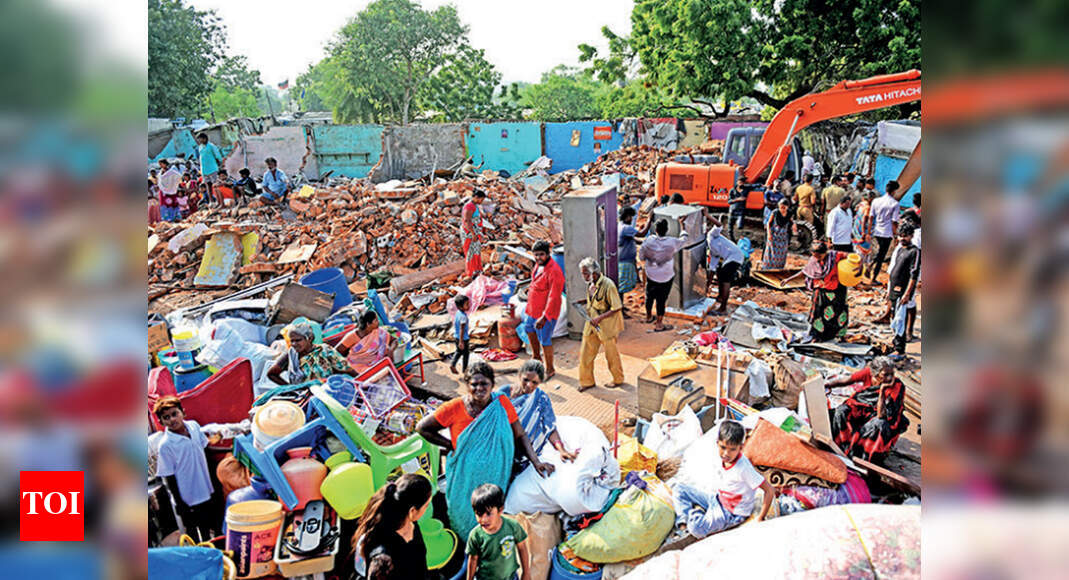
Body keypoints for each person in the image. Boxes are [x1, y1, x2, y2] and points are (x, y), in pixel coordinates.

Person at [416, 363, 553, 539]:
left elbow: (520, 435)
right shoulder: (454, 407)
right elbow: (423, 428)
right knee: (463, 513)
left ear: (492, 384)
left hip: (496, 475)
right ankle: (467, 545)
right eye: (474, 384)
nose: (479, 388)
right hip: (464, 477)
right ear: (467, 385)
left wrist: (536, 462)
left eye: (484, 384)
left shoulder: (501, 403)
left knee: (490, 513)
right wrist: (451, 445)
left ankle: (485, 544)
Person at [672, 421, 774, 539]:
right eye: (723, 447)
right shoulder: (721, 458)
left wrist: (761, 518)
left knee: (697, 529)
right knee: (679, 489)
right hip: (717, 499)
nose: (726, 453)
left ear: (740, 448)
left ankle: (695, 515)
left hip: (730, 513)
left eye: (732, 449)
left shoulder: (743, 468)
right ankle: (684, 523)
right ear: (717, 443)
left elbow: (769, 490)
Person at [153, 396, 219, 542]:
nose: (172, 420)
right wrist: (180, 502)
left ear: (183, 412)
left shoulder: (194, 427)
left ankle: (212, 551)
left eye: (174, 414)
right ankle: (197, 558)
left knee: (208, 527)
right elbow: (168, 477)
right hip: (188, 496)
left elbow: (205, 448)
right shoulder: (166, 445)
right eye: (166, 417)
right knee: (193, 532)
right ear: (161, 422)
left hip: (206, 488)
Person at [497, 360, 577, 476]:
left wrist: (561, 450)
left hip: (523, 452)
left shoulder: (540, 399)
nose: (529, 385)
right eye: (526, 380)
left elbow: (549, 427)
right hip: (500, 446)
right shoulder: (503, 393)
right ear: (519, 375)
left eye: (534, 383)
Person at [825, 356, 909, 462]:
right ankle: (842, 447)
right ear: (875, 374)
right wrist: (826, 384)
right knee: (841, 411)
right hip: (863, 412)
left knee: (879, 424)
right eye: (886, 374)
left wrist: (882, 390)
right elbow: (847, 380)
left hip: (881, 417)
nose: (890, 378)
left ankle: (865, 457)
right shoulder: (868, 373)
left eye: (892, 374)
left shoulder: (897, 386)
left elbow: (882, 415)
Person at [353, 473, 433, 580]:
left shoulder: (411, 524)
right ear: (412, 511)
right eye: (426, 505)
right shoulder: (383, 560)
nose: (426, 509)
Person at [576, 258, 625, 390]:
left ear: (594, 272)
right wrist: (584, 302)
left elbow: (617, 307)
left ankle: (618, 379)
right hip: (591, 322)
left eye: (586, 273)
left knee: (611, 355)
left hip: (607, 326)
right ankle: (587, 382)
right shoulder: (591, 284)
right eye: (583, 273)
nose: (584, 276)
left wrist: (600, 318)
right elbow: (593, 301)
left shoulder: (608, 285)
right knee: (585, 353)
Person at [465, 484, 531, 580]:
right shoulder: (475, 535)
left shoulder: (513, 526)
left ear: (500, 510)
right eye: (479, 514)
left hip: (510, 577)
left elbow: (522, 548)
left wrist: (526, 572)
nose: (483, 520)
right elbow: (473, 559)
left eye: (488, 514)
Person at [799, 241, 856, 341]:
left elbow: (852, 256)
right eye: (814, 256)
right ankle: (817, 335)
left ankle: (838, 335)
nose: (817, 258)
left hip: (837, 290)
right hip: (821, 290)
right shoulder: (814, 260)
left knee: (838, 312)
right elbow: (805, 271)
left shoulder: (835, 256)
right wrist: (788, 279)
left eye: (819, 256)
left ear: (825, 252)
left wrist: (858, 265)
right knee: (818, 313)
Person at [267, 322, 356, 385]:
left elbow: (346, 368)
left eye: (298, 340)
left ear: (309, 338)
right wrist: (291, 389)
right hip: (304, 396)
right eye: (292, 341)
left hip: (327, 393)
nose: (294, 344)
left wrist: (362, 380)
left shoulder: (324, 350)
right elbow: (271, 374)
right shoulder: (291, 354)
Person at [639, 218, 688, 331]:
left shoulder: (648, 241)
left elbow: (641, 257)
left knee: (649, 296)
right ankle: (659, 324)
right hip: (666, 276)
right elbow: (684, 239)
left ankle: (648, 317)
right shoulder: (672, 242)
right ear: (667, 230)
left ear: (655, 229)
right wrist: (681, 225)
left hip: (651, 274)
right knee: (661, 299)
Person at [523, 241, 564, 377]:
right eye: (536, 255)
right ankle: (536, 357)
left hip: (546, 312)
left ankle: (550, 369)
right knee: (528, 328)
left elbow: (554, 296)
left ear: (548, 254)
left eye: (541, 255)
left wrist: (545, 316)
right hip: (533, 309)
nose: (538, 258)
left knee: (545, 339)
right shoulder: (538, 265)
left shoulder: (555, 271)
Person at [882, 223, 921, 354]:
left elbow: (913, 275)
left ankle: (900, 349)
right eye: (900, 236)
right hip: (893, 289)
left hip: (903, 291)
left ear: (911, 236)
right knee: (894, 317)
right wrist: (888, 291)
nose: (902, 238)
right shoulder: (899, 249)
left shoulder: (915, 252)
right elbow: (893, 271)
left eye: (905, 236)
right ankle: (895, 342)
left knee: (900, 320)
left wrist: (907, 293)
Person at [337, 308, 395, 375]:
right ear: (368, 324)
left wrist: (391, 350)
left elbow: (394, 340)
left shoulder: (378, 331)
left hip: (374, 361)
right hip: (356, 364)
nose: (378, 322)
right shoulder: (351, 336)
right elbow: (337, 352)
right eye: (376, 320)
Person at [706, 217, 745, 313]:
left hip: (735, 256)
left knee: (725, 279)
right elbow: (712, 270)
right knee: (720, 274)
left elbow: (719, 225)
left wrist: (707, 215)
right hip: (733, 257)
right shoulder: (713, 252)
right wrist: (706, 287)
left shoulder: (710, 235)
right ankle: (720, 297)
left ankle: (723, 308)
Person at [869, 180, 902, 282]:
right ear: (894, 191)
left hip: (877, 230)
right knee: (881, 255)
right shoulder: (895, 204)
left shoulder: (876, 201)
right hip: (887, 232)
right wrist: (896, 234)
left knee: (880, 252)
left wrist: (869, 231)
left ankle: (870, 265)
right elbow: (894, 221)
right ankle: (873, 277)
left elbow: (871, 217)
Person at [617, 207, 650, 299]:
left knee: (623, 283)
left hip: (626, 259)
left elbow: (633, 239)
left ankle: (621, 305)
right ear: (627, 217)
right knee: (622, 285)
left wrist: (645, 243)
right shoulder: (626, 228)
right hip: (625, 261)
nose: (631, 219)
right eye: (630, 217)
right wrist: (649, 220)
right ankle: (619, 306)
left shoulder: (620, 225)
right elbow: (642, 233)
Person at [462, 189, 488, 277]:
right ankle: (470, 273)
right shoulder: (469, 206)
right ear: (476, 197)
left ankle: (477, 271)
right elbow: (467, 221)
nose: (482, 201)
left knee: (476, 252)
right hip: (469, 234)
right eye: (481, 199)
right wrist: (473, 234)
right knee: (470, 253)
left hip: (475, 233)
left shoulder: (475, 206)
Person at [761, 199, 792, 269]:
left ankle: (778, 268)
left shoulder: (789, 213)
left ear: (787, 207)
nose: (782, 209)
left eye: (784, 207)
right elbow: (768, 223)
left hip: (783, 237)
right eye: (781, 207)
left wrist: (794, 226)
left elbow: (791, 223)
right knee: (771, 253)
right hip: (774, 235)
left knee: (782, 254)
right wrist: (769, 234)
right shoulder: (775, 212)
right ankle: (767, 268)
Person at [853, 189, 876, 281]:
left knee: (860, 251)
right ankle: (863, 269)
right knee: (864, 251)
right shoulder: (867, 208)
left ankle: (861, 269)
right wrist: (865, 233)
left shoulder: (861, 205)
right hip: (863, 231)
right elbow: (865, 221)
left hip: (856, 230)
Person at [196, 133, 224, 206]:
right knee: (208, 185)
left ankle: (219, 201)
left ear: (205, 138)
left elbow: (217, 156)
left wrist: (219, 164)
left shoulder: (211, 146)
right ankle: (211, 201)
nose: (199, 140)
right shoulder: (200, 147)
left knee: (215, 185)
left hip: (212, 168)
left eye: (200, 139)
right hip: (204, 169)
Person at [450, 294, 471, 375]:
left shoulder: (458, 313)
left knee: (458, 352)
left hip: (457, 336)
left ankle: (453, 364)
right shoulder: (463, 317)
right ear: (461, 307)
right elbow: (462, 329)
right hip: (463, 339)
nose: (468, 305)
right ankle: (465, 370)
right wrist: (461, 342)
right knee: (466, 354)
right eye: (467, 304)